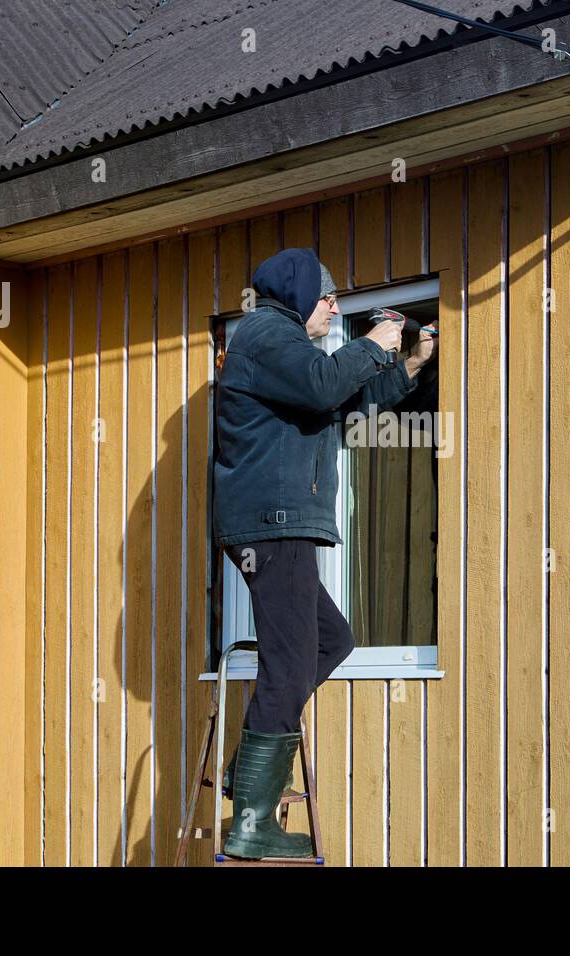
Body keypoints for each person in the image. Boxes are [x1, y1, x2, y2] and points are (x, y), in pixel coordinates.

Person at [212, 246, 437, 859]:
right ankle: (253, 824)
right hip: (273, 525)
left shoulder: (292, 356)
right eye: (329, 294)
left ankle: (244, 773)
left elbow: (343, 404)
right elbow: (322, 386)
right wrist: (371, 343)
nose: (336, 305)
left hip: (281, 525)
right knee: (288, 665)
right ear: (298, 292)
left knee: (329, 641)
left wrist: (409, 364)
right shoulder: (265, 333)